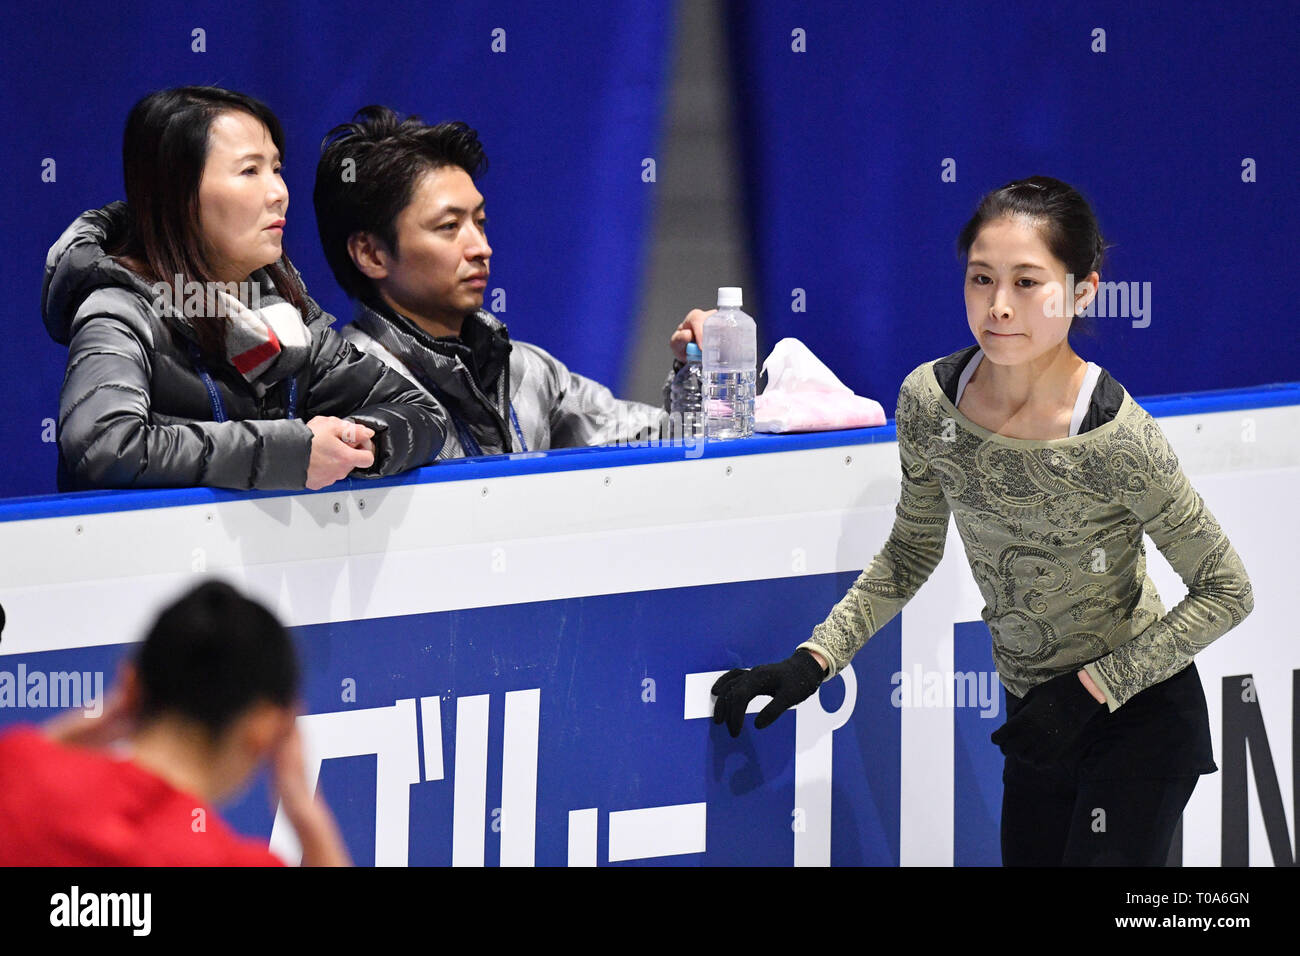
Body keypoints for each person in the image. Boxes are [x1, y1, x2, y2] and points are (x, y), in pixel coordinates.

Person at [711, 176, 1254, 867]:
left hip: (1137, 722)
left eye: (1027, 282)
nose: (999, 306)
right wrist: (813, 660)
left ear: (1083, 291)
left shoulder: (1117, 437)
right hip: (1033, 722)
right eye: (981, 278)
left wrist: (1092, 690)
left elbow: (1227, 590)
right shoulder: (929, 403)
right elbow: (911, 553)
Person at [43, 86, 449, 491]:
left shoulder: (284, 317)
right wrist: (291, 452)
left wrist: (358, 438)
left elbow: (422, 412)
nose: (279, 194)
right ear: (178, 194)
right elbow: (102, 448)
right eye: (250, 171)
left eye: (277, 169)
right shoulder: (118, 311)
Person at [313, 107, 693, 457]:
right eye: (449, 227)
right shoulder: (343, 390)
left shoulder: (528, 370)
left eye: (480, 222)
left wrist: (698, 366)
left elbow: (667, 442)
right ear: (371, 254)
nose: (481, 248)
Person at [0, 580, 349, 866]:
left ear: (131, 687)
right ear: (266, 729)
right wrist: (305, 811)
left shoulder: (16, 772)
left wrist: (45, 746)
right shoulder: (227, 861)